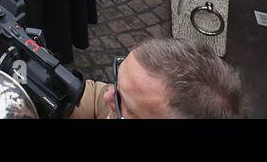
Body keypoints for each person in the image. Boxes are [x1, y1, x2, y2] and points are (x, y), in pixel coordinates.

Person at [70, 38, 244, 118]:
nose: (108, 95)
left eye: (121, 101)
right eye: (116, 80)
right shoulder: (136, 97)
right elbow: (96, 99)